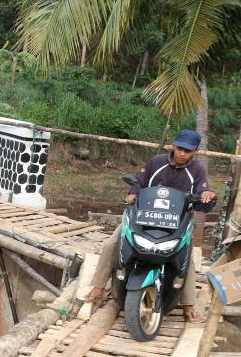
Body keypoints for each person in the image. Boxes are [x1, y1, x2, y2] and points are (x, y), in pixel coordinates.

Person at [89, 129, 215, 322]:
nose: (182, 153)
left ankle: (188, 306)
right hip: (143, 217)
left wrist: (207, 196)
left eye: (187, 151)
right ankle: (98, 286)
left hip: (176, 224)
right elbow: (139, 182)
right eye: (180, 148)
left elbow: (202, 194)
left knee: (186, 259)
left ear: (195, 151)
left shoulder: (196, 171)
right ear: (173, 145)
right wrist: (132, 193)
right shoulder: (156, 162)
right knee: (111, 243)